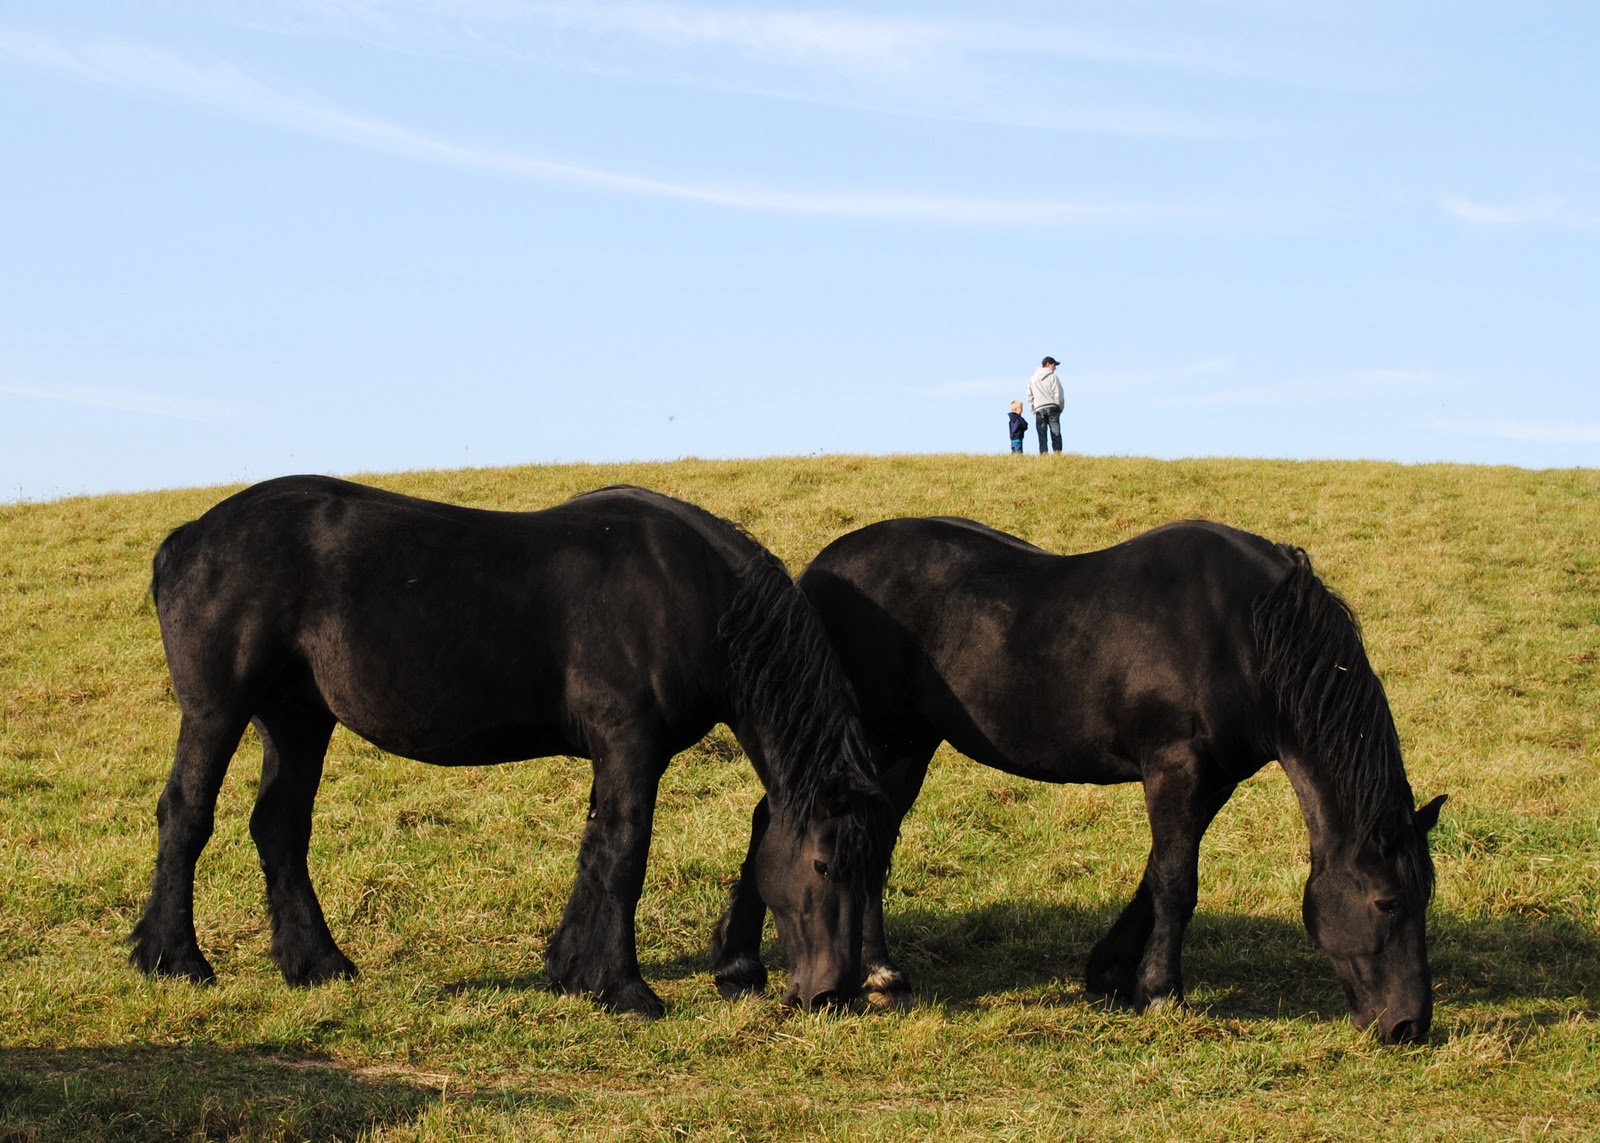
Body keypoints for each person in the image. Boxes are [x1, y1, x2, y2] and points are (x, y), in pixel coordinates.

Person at [1027, 356, 1064, 454]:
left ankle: (1043, 455)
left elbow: (1030, 396)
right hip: (1052, 407)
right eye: (1054, 365)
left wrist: (1033, 410)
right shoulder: (1053, 377)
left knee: (1042, 436)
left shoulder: (1032, 379)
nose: (1055, 367)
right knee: (1055, 433)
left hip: (1039, 409)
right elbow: (1059, 394)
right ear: (1048, 364)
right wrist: (1060, 407)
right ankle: (1058, 454)